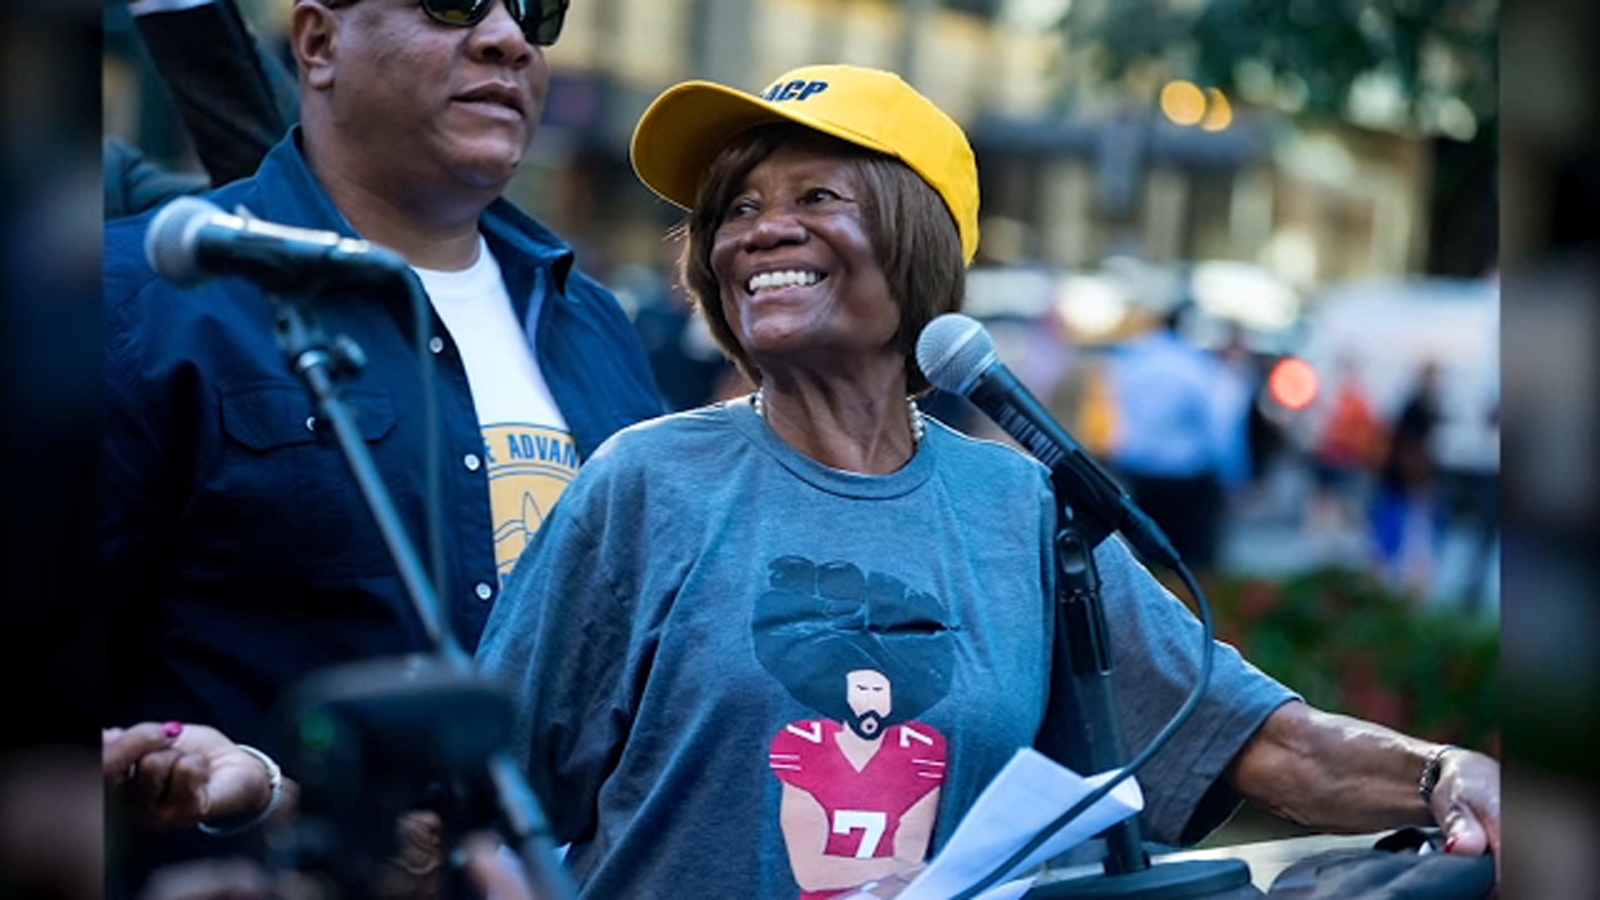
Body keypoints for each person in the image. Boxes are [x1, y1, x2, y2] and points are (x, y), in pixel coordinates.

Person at [473, 64, 1501, 898]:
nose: (758, 230)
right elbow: (473, 798)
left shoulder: (1022, 512)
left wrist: (1445, 776)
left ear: (917, 237)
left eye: (815, 196)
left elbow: (1267, 745)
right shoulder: (645, 486)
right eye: (735, 206)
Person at [103, 0, 664, 892]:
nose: (506, 36)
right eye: (449, 2)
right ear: (319, 44)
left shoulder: (594, 324)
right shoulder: (147, 295)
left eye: (537, 10)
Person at [1103, 298, 1232, 573]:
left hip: (1143, 469)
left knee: (1147, 556)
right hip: (1187, 473)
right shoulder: (1195, 364)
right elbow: (1217, 422)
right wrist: (1231, 471)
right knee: (1190, 559)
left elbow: (1117, 407)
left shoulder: (1136, 359)